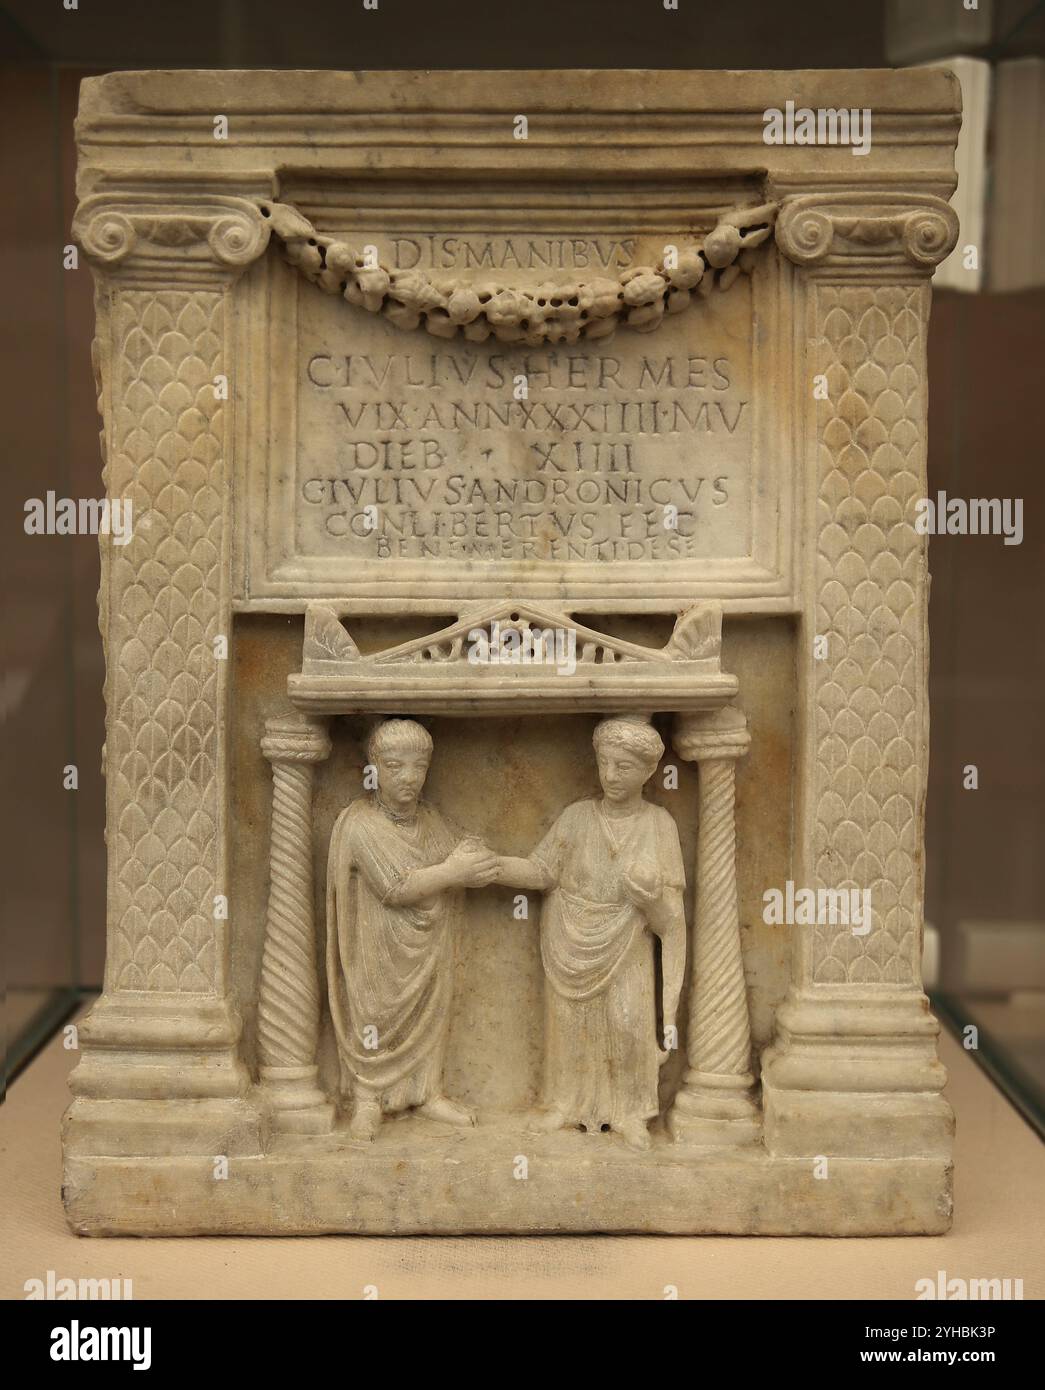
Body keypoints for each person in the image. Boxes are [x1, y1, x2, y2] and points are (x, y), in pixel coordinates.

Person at [494, 716, 687, 1150]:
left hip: (628, 943)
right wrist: (494, 866)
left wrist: (651, 900)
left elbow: (671, 921)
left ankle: (631, 1111)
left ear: (649, 771)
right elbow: (542, 871)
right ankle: (566, 1104)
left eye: (624, 766)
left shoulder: (659, 825)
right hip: (569, 940)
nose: (611, 775)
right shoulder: (577, 817)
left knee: (628, 1024)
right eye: (605, 763)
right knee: (570, 1028)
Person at [326, 718, 498, 1141]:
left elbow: (455, 849)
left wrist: (470, 854)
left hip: (428, 943)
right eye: (394, 766)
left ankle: (426, 1092)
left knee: (430, 1012)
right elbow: (395, 887)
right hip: (377, 944)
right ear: (374, 769)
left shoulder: (429, 818)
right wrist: (454, 870)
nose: (408, 777)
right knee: (375, 1015)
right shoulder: (360, 823)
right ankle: (368, 1098)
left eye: (419, 767)